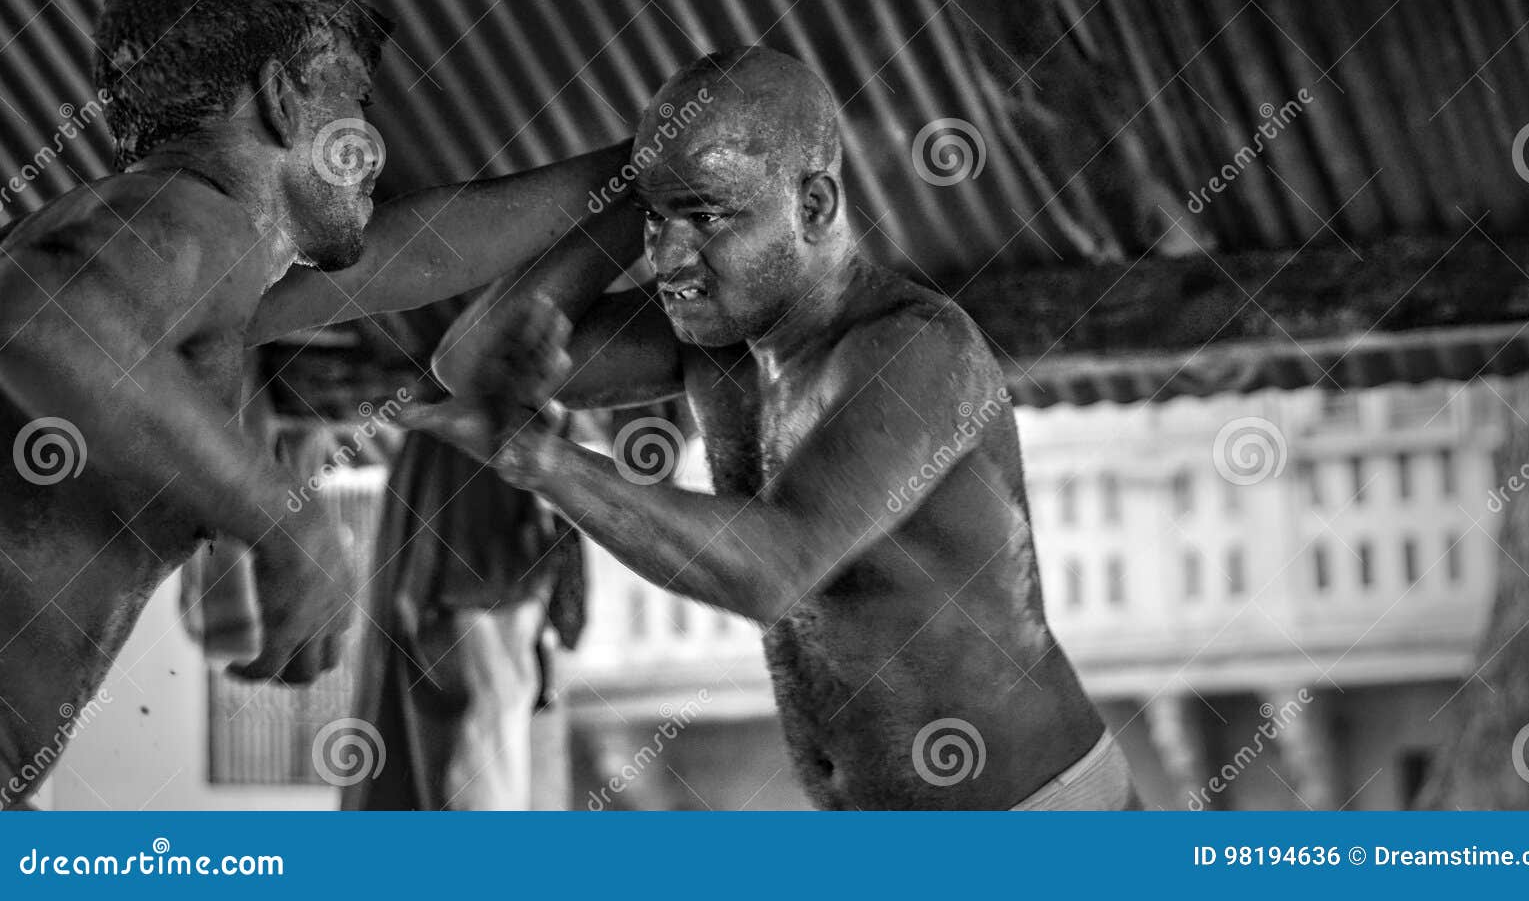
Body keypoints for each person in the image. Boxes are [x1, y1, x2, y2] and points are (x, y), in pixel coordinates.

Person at [408, 45, 1140, 809]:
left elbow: (774, 569)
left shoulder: (913, 349)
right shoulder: (715, 345)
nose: (667, 257)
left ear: (814, 207)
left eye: (707, 217)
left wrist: (544, 461)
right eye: (656, 224)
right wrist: (644, 184)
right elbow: (469, 363)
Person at [0, 0, 637, 807]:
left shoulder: (189, 258)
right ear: (285, 100)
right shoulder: (189, 222)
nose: (371, 139)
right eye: (358, 100)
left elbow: (414, 253)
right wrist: (290, 525)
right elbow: (39, 322)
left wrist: (639, 172)